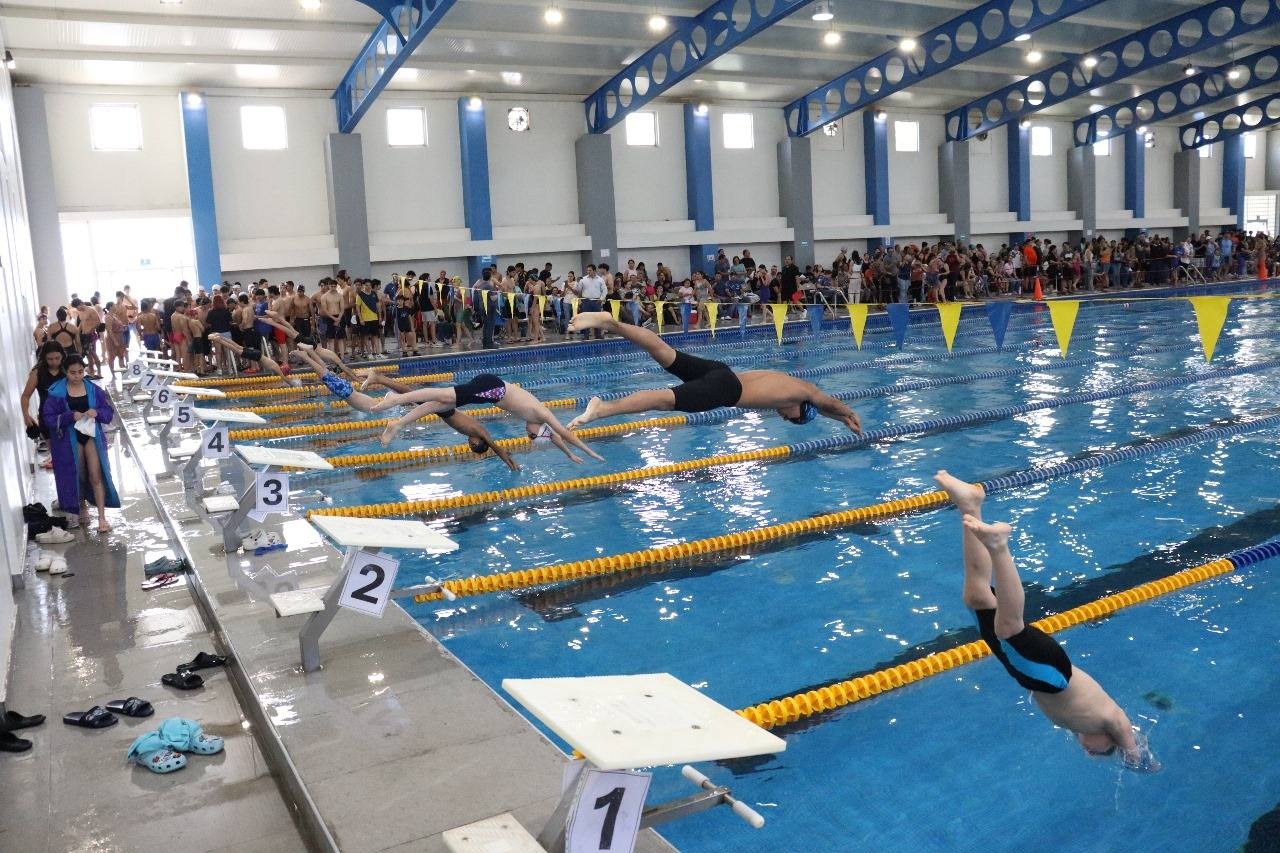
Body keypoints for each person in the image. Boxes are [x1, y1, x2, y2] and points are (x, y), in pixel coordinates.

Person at [932, 470, 1159, 772]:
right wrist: (1133, 753)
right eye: (1099, 752)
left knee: (977, 597)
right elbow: (1122, 723)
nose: (1089, 752)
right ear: (1108, 742)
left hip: (1031, 670)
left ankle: (970, 505)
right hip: (1050, 673)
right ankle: (1000, 546)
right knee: (1009, 627)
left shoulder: (1078, 723)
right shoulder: (1108, 721)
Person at [564, 313, 862, 432]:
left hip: (722, 373)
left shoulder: (793, 386)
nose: (785, 417)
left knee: (663, 352)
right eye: (794, 418)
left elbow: (821, 409)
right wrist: (848, 413)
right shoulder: (802, 394)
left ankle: (610, 324)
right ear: (800, 408)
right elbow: (825, 403)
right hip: (726, 391)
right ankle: (603, 409)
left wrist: (839, 418)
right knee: (664, 400)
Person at [371, 373, 605, 462]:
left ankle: (398, 423)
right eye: (532, 435)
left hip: (489, 394)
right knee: (442, 396)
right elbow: (562, 433)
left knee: (439, 405)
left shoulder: (533, 419)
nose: (528, 433)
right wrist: (585, 452)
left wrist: (567, 454)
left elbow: (554, 438)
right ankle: (395, 400)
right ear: (538, 429)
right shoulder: (541, 414)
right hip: (493, 388)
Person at [357, 372, 520, 470]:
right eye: (475, 445)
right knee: (410, 394)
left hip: (446, 412)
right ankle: (381, 381)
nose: (471, 445)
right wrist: (504, 456)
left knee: (411, 394)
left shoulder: (473, 433)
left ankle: (379, 379)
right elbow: (493, 444)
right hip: (447, 410)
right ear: (480, 441)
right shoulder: (480, 431)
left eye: (472, 448)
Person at [41, 355, 119, 533]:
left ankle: (102, 517)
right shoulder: (56, 392)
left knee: (96, 475)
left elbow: (108, 412)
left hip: (91, 436)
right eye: (72, 373)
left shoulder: (93, 389)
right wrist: (69, 416)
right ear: (65, 372)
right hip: (70, 438)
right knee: (79, 474)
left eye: (80, 372)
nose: (77, 376)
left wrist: (97, 412)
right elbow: (48, 419)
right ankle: (81, 505)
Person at [21, 342, 65, 461]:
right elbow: (25, 396)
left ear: (62, 355)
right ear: (44, 358)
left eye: (57, 358)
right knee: (57, 456)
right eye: (50, 359)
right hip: (47, 418)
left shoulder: (68, 369)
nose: (54, 362)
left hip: (68, 415)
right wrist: (26, 415)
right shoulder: (37, 373)